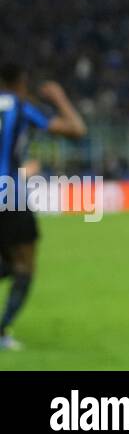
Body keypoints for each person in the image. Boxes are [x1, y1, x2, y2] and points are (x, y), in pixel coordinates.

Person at [0, 64, 87, 351]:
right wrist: (59, 98)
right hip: (9, 194)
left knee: (10, 263)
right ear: (22, 80)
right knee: (25, 265)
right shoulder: (23, 107)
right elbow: (76, 130)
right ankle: (1, 333)